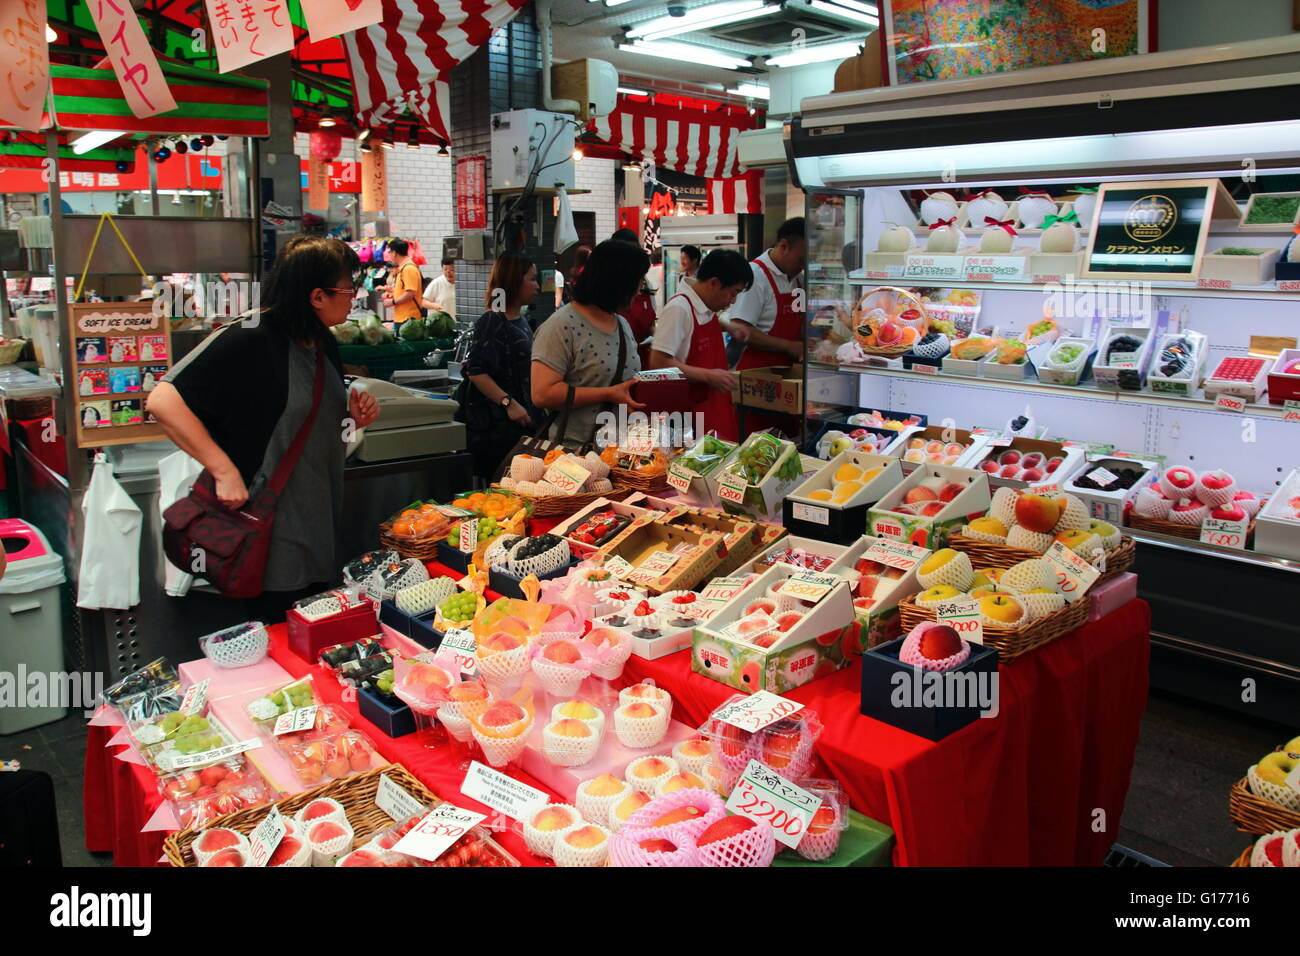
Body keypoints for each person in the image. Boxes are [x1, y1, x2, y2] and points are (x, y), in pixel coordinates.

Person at [146, 236, 380, 622]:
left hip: (318, 517)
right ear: (316, 296)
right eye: (348, 289)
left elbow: (302, 422)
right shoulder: (251, 337)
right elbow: (163, 401)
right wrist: (224, 471)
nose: (353, 296)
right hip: (270, 528)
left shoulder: (319, 341)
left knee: (310, 629)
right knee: (281, 631)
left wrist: (352, 417)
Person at [531, 239, 647, 446]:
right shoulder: (562, 325)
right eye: (638, 281)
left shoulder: (621, 324)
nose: (640, 290)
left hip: (618, 456)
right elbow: (542, 394)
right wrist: (607, 394)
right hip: (571, 459)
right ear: (618, 282)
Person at [647, 249, 751, 442]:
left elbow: (698, 324)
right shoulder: (679, 309)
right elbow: (658, 363)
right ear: (714, 283)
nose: (733, 300)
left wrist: (727, 325)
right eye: (733, 292)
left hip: (715, 411)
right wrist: (708, 375)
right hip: (692, 421)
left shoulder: (705, 304)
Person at [455, 252, 540, 481]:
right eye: (531, 279)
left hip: (517, 425)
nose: (537, 286)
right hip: (497, 429)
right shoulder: (493, 319)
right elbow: (476, 371)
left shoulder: (520, 320)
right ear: (513, 281)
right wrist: (509, 403)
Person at [728, 216, 807, 370]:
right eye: (801, 261)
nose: (803, 267)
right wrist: (788, 346)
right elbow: (740, 328)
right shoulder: (755, 275)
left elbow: (801, 318)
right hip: (755, 371)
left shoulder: (799, 279)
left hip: (788, 369)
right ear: (783, 246)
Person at [381, 238, 424, 325]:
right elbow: (405, 290)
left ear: (394, 253)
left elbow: (410, 293)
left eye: (389, 252)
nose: (388, 255)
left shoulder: (408, 269)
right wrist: (392, 293)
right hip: (403, 318)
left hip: (408, 320)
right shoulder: (403, 268)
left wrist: (392, 302)